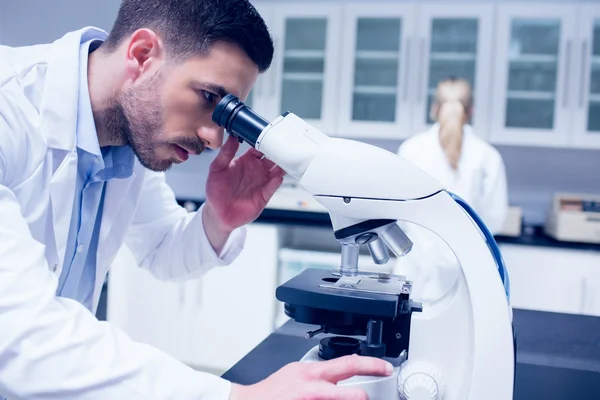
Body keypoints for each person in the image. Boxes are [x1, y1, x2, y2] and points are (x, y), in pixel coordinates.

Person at [0, 1, 392, 399]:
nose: (214, 138)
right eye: (208, 96)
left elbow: (161, 250)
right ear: (142, 55)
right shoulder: (9, 109)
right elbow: (18, 332)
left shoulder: (127, 141)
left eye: (225, 115)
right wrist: (237, 396)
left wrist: (218, 220)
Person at [393, 77, 509, 303]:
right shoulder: (487, 157)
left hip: (415, 276)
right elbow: (495, 219)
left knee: (412, 335)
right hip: (468, 278)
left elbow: (398, 215)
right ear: (471, 111)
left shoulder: (411, 150)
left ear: (434, 109)